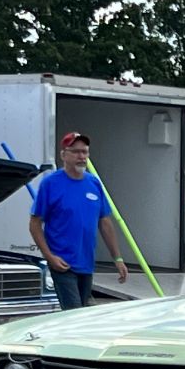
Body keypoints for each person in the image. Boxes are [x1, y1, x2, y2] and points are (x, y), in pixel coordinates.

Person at [29, 131, 128, 309]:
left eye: (85, 152)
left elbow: (104, 222)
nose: (81, 156)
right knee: (73, 312)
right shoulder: (51, 184)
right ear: (63, 155)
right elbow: (35, 224)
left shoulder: (94, 183)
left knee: (79, 316)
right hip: (63, 263)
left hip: (87, 263)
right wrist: (50, 257)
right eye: (76, 152)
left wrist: (118, 258)